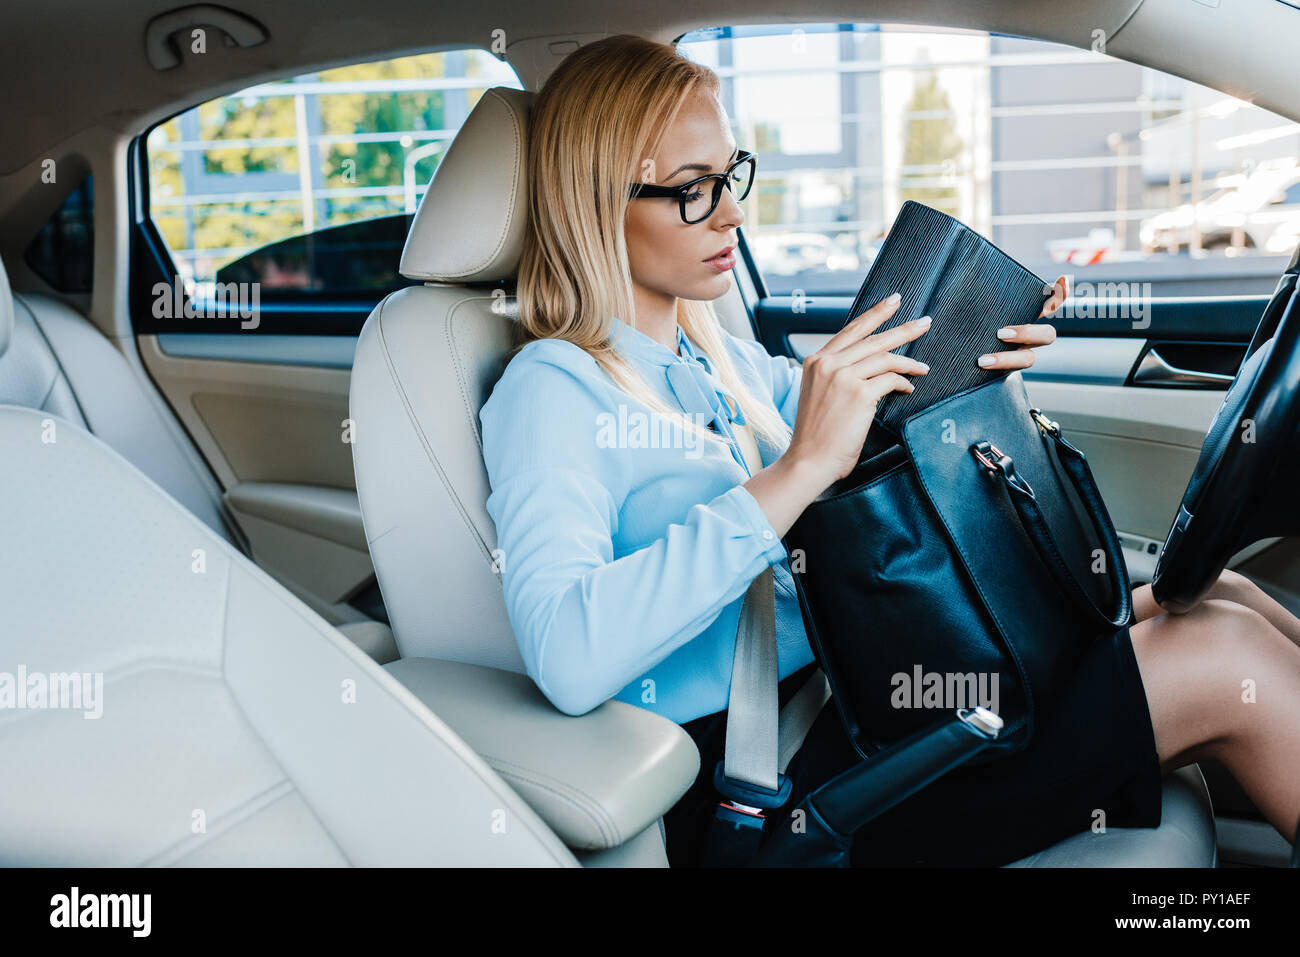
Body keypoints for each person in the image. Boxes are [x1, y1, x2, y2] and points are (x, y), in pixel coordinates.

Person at [479, 33, 1300, 866]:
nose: (731, 212)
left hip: (870, 694)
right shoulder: (553, 389)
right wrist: (795, 473)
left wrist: (976, 359)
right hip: (775, 789)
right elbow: (567, 653)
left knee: (1216, 595)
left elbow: (881, 432)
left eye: (730, 176)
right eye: (693, 191)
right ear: (594, 203)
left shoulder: (716, 361)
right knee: (1218, 652)